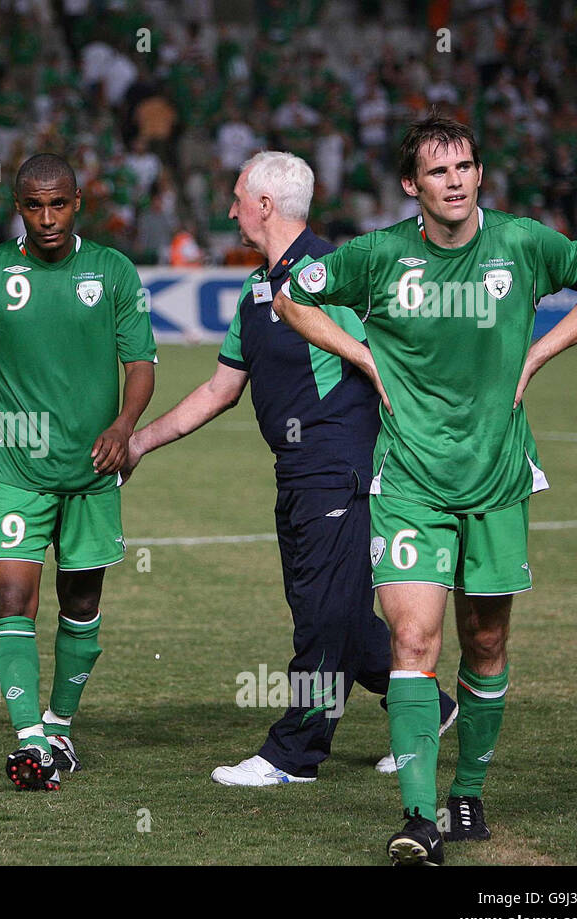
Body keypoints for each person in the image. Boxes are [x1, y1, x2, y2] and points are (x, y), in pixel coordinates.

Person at [274, 115, 577, 864]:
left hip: (496, 476)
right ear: (412, 185)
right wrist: (363, 355)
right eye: (439, 171)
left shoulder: (525, 243)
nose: (457, 180)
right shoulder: (377, 257)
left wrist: (536, 356)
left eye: (466, 166)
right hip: (408, 480)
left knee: (487, 642)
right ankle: (417, 819)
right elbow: (291, 299)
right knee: (412, 639)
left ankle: (467, 789)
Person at [125, 151, 456, 786]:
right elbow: (221, 389)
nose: (230, 211)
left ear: (266, 206)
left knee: (324, 615)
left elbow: (401, 355)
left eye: (238, 199)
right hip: (298, 473)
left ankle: (294, 754)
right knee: (338, 612)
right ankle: (430, 707)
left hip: (343, 466)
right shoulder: (257, 290)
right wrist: (140, 443)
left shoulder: (337, 275)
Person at [0, 153, 156, 790]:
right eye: (34, 205)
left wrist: (124, 428)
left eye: (58, 203)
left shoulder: (112, 271)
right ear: (18, 208)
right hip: (12, 470)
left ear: (78, 201)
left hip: (91, 469)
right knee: (11, 597)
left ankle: (60, 723)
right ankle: (31, 739)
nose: (47, 217)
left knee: (81, 602)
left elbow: (140, 363)